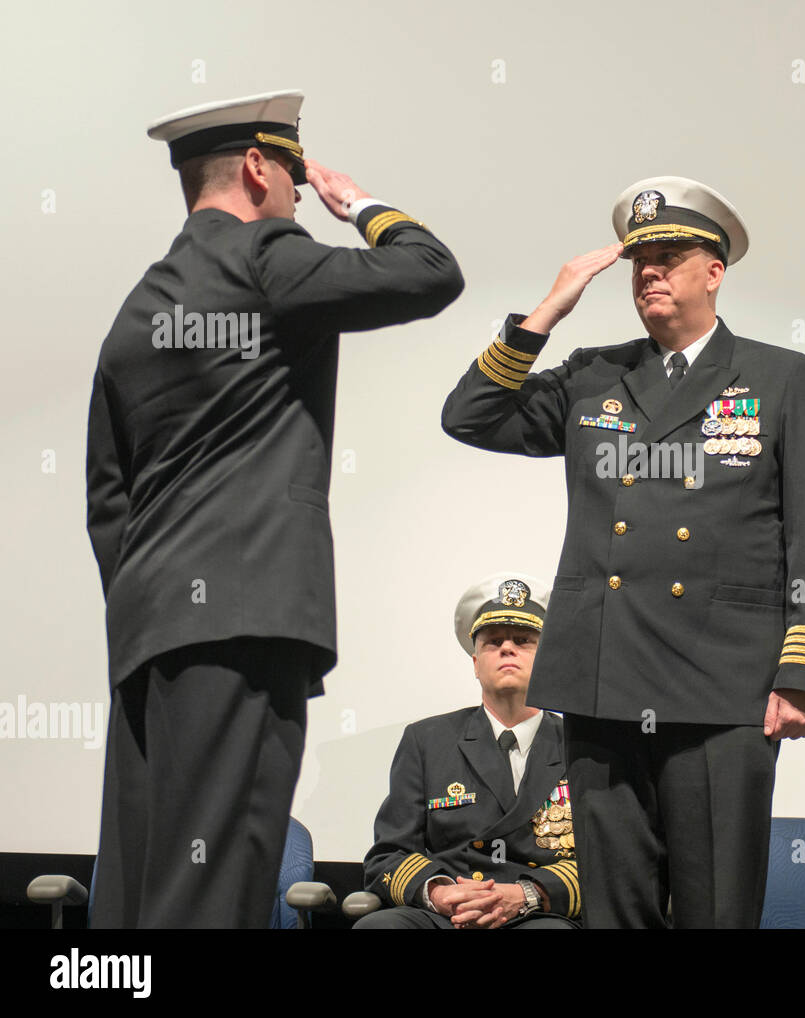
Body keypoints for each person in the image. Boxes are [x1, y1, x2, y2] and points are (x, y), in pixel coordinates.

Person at [85, 89, 464, 927]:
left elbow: (107, 498)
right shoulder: (265, 256)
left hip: (151, 632)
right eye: (294, 172)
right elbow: (432, 273)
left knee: (142, 873)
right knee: (221, 872)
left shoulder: (138, 308)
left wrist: (155, 597)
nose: (300, 192)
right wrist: (362, 205)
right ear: (258, 167)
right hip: (245, 619)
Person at [441, 177, 805, 928]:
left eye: (669, 256)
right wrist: (546, 314)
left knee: (716, 909)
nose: (650, 272)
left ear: (714, 271)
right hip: (606, 682)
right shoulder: (595, 374)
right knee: (616, 912)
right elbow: (470, 417)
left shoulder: (779, 378)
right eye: (640, 261)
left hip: (723, 689)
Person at [355, 575, 580, 929]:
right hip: (450, 910)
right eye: (493, 642)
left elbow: (609, 857)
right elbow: (388, 854)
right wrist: (440, 892)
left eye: (523, 641)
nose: (507, 648)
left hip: (539, 910)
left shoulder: (583, 746)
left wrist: (527, 894)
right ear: (476, 663)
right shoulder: (426, 740)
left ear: (548, 658)